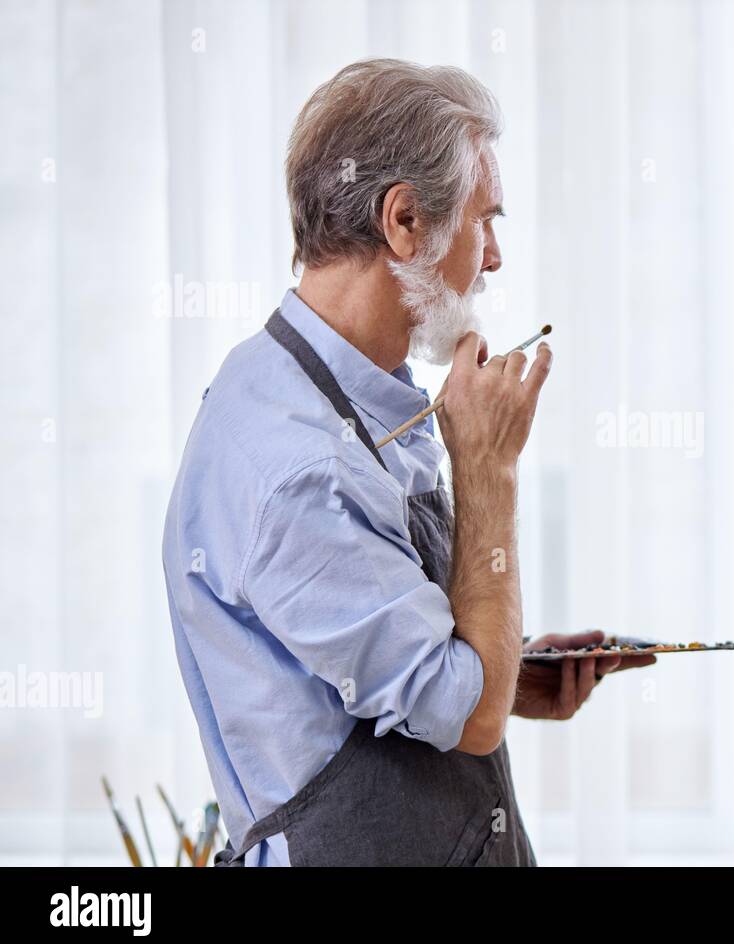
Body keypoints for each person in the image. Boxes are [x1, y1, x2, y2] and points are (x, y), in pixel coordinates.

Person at [161, 59, 652, 867]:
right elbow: (470, 719)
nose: (492, 258)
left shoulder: (333, 391)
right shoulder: (300, 468)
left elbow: (398, 674)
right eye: (483, 220)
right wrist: (487, 468)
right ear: (404, 222)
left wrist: (503, 669)